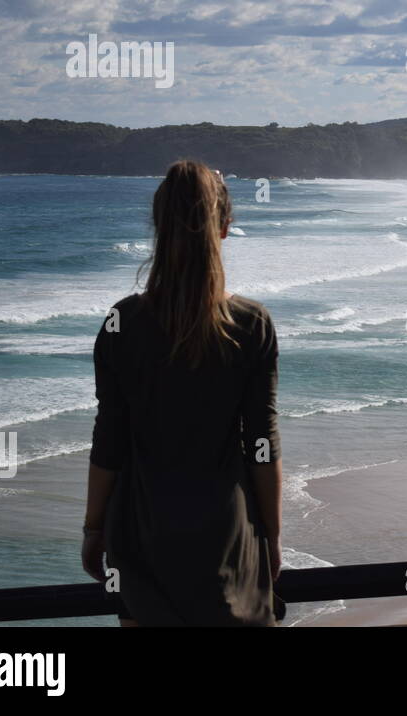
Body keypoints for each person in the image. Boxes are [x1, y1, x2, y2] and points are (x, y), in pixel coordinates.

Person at [81, 160, 283, 626]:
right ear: (226, 228)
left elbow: (109, 440)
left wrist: (94, 529)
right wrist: (271, 539)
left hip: (142, 533)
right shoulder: (251, 325)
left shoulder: (121, 323)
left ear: (157, 226)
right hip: (227, 535)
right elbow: (261, 444)